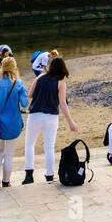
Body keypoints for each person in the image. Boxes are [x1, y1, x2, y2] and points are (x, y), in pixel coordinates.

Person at [22, 56, 79, 184]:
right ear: (63, 68)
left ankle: (29, 175)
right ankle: (49, 175)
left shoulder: (40, 78)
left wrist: (40, 83)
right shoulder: (61, 83)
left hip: (35, 115)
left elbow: (30, 94)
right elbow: (63, 103)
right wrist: (71, 122)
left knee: (30, 144)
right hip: (51, 117)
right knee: (49, 147)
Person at [0, 55, 28, 188]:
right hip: (13, 123)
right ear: (14, 68)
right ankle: (5, 181)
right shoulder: (18, 83)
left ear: (2, 67)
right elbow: (24, 103)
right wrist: (22, 92)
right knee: (9, 153)